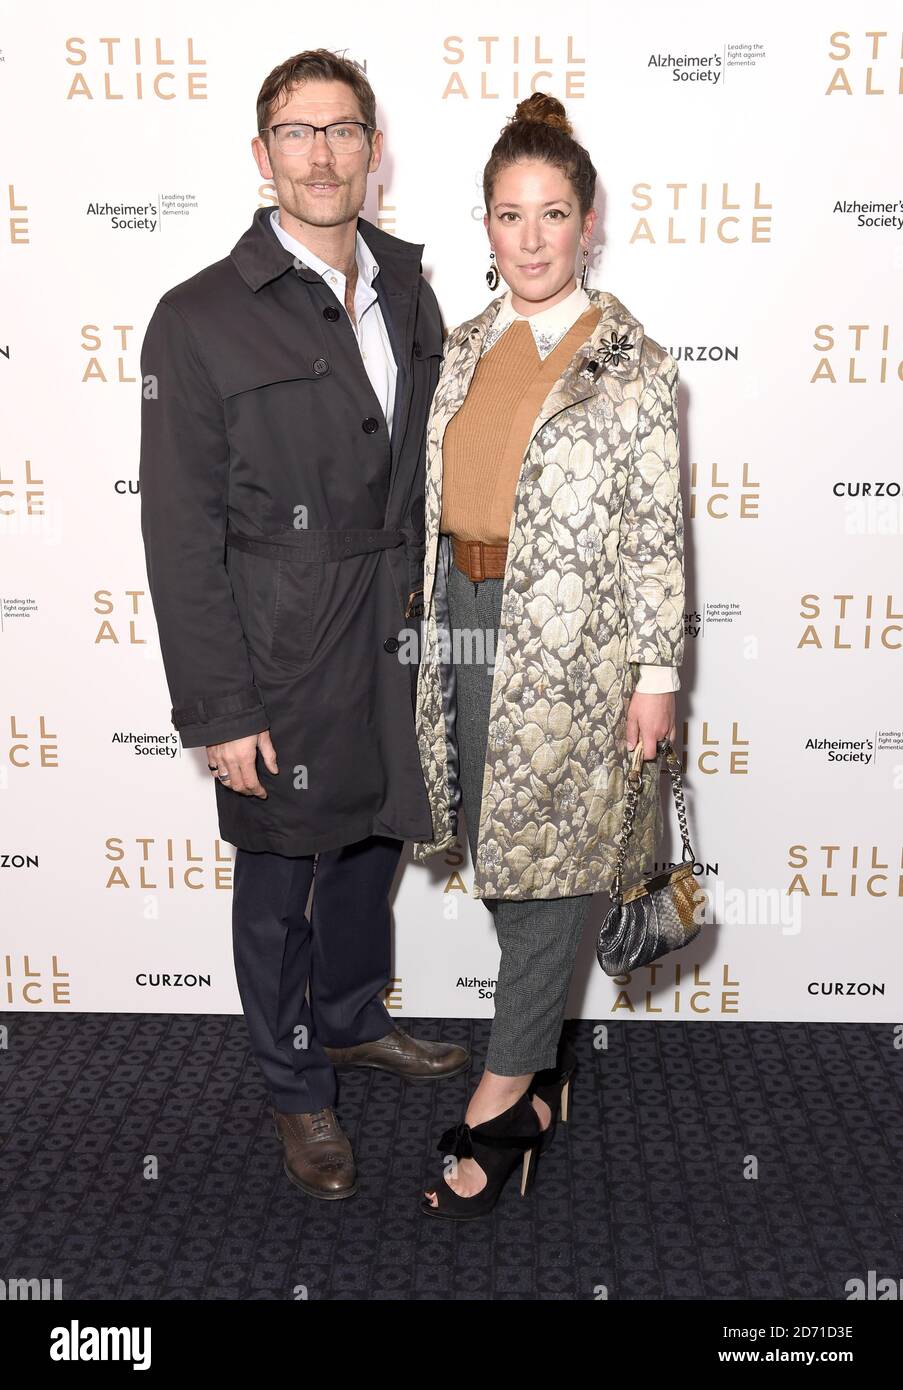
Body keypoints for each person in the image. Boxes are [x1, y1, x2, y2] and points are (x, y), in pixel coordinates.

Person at [138, 48, 470, 1203]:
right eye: (297, 132)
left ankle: (350, 1018)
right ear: (261, 152)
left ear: (374, 150)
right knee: (282, 874)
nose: (322, 155)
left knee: (374, 838)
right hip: (278, 645)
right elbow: (178, 532)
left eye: (343, 131)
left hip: (396, 626)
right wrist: (220, 707)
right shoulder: (197, 318)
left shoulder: (410, 287)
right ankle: (294, 1086)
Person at [412, 93, 685, 1217]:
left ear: (588, 222)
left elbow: (655, 529)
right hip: (460, 617)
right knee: (496, 846)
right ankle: (540, 1065)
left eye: (553, 214)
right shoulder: (463, 345)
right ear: (485, 224)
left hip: (578, 647)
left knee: (554, 869)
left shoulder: (633, 362)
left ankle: (506, 1097)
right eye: (510, 215)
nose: (531, 239)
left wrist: (655, 675)